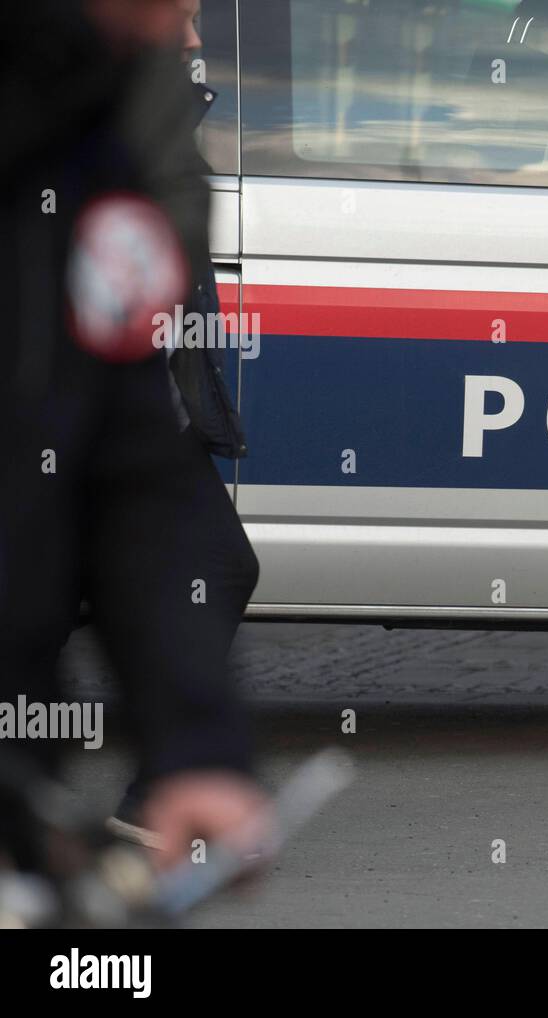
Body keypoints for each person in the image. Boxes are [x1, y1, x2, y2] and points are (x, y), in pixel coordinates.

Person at [0, 0, 267, 875]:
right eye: (169, 7)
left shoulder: (99, 148)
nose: (185, 35)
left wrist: (197, 748)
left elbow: (129, 461)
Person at [106, 0, 261, 849]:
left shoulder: (142, 111)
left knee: (217, 564)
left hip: (123, 418)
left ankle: (150, 798)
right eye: (183, 15)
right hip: (73, 423)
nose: (198, 39)